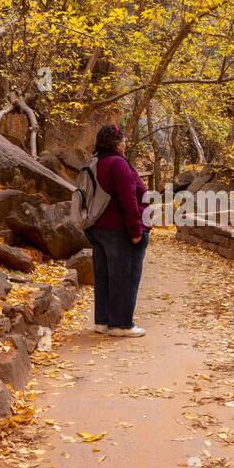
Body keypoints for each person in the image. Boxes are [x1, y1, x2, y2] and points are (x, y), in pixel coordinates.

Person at [84, 123, 149, 336]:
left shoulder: (96, 162)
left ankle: (102, 321)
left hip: (97, 228)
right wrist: (136, 230)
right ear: (116, 143)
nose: (125, 143)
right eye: (123, 140)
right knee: (125, 275)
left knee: (103, 275)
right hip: (118, 229)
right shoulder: (118, 164)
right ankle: (121, 325)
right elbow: (128, 199)